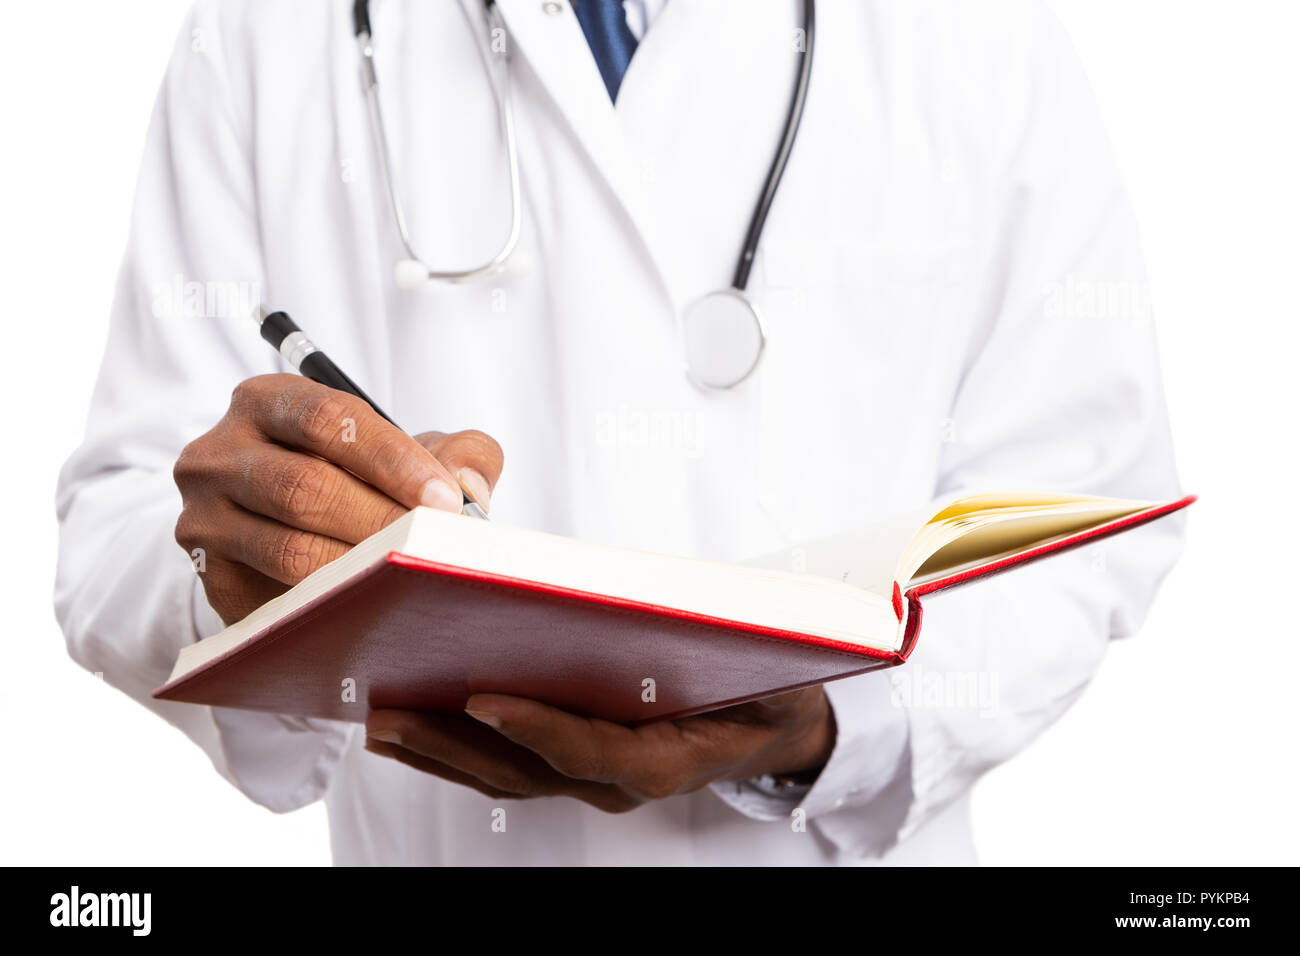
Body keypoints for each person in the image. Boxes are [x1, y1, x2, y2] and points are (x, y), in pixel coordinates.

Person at [54, 0, 1186, 865]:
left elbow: (1083, 513)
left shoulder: (978, 35)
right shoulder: (264, 33)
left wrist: (836, 720)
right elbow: (119, 530)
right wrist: (249, 566)